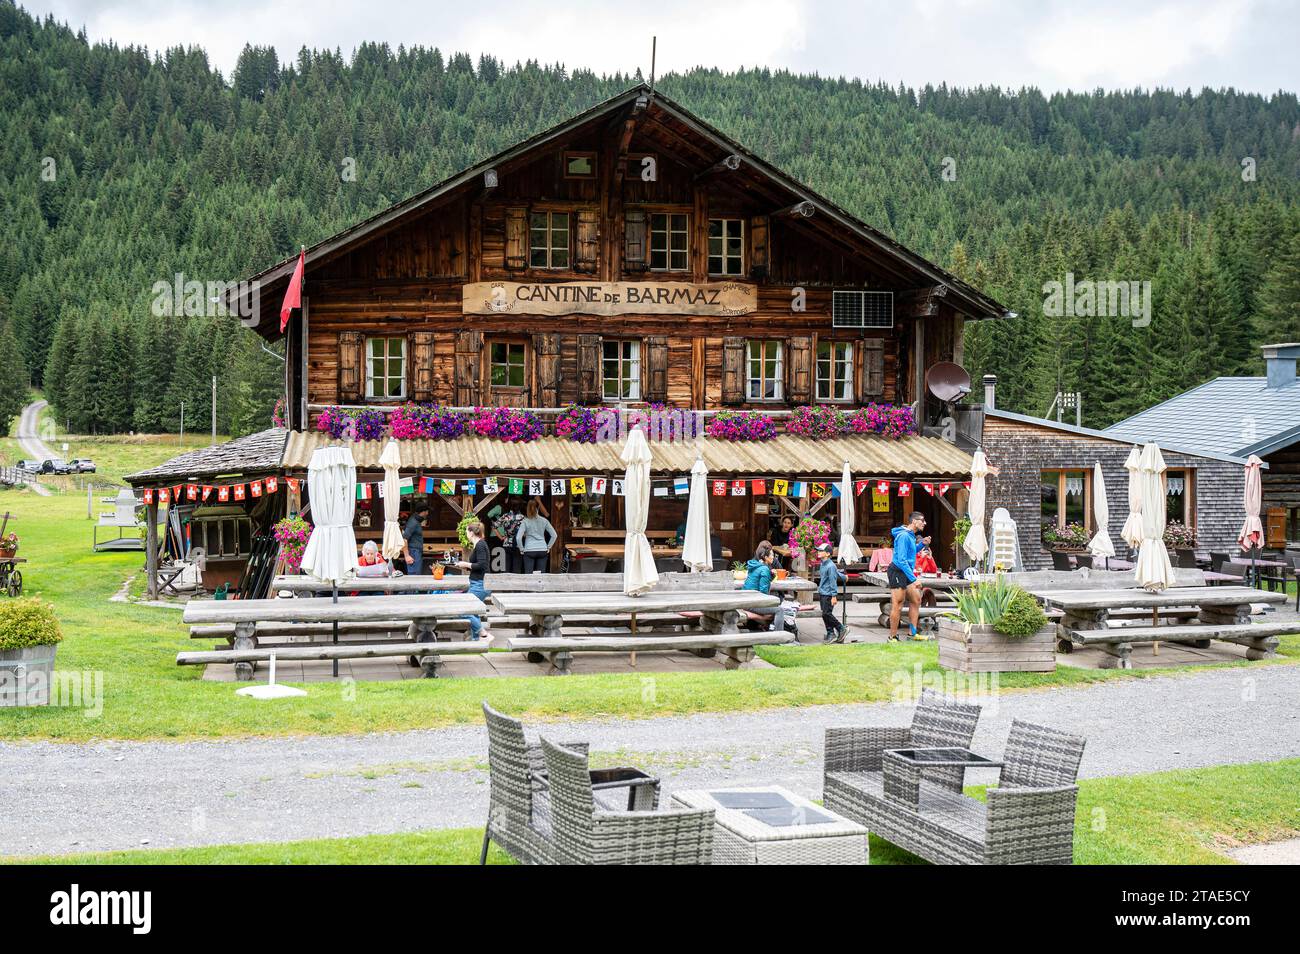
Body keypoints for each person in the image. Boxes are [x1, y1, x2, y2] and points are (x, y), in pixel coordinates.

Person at [888, 511, 930, 642]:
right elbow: (901, 560)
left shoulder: (911, 535)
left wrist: (922, 544)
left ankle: (912, 634)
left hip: (906, 571)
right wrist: (913, 579)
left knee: (916, 599)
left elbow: (910, 552)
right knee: (898, 604)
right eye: (922, 520)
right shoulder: (903, 536)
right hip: (897, 571)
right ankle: (892, 637)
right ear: (914, 522)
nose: (925, 523)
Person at [454, 520, 492, 642]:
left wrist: (466, 564)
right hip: (478, 582)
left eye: (466, 532)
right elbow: (479, 565)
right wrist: (465, 566)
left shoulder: (480, 545)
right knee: (473, 611)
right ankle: (475, 640)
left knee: (464, 609)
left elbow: (482, 565)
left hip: (481, 584)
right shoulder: (479, 544)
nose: (466, 534)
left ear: (471, 532)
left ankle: (483, 634)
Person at [740, 541, 788, 634]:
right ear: (765, 557)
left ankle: (768, 629)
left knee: (775, 607)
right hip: (752, 603)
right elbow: (763, 594)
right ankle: (779, 636)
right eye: (772, 555)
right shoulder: (765, 569)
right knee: (779, 610)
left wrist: (771, 575)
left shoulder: (755, 565)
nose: (773, 557)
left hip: (745, 600)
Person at [816, 542, 847, 643]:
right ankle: (830, 633)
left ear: (828, 553)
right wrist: (843, 577)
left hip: (828, 594)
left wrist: (834, 596)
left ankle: (841, 628)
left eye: (821, 551)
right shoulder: (823, 564)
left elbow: (833, 581)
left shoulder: (830, 566)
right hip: (822, 592)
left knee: (827, 614)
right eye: (818, 550)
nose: (818, 552)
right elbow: (836, 573)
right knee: (825, 614)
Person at [516, 499, 557, 573]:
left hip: (529, 549)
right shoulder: (544, 520)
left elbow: (518, 538)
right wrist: (548, 547)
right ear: (538, 508)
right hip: (542, 549)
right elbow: (554, 535)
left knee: (529, 574)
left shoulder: (525, 521)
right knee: (540, 575)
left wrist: (521, 549)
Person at [402, 502, 428, 576]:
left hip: (416, 552)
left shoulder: (416, 520)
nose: (427, 513)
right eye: (427, 511)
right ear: (423, 512)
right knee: (414, 577)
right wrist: (407, 556)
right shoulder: (413, 522)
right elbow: (404, 539)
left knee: (416, 576)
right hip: (413, 553)